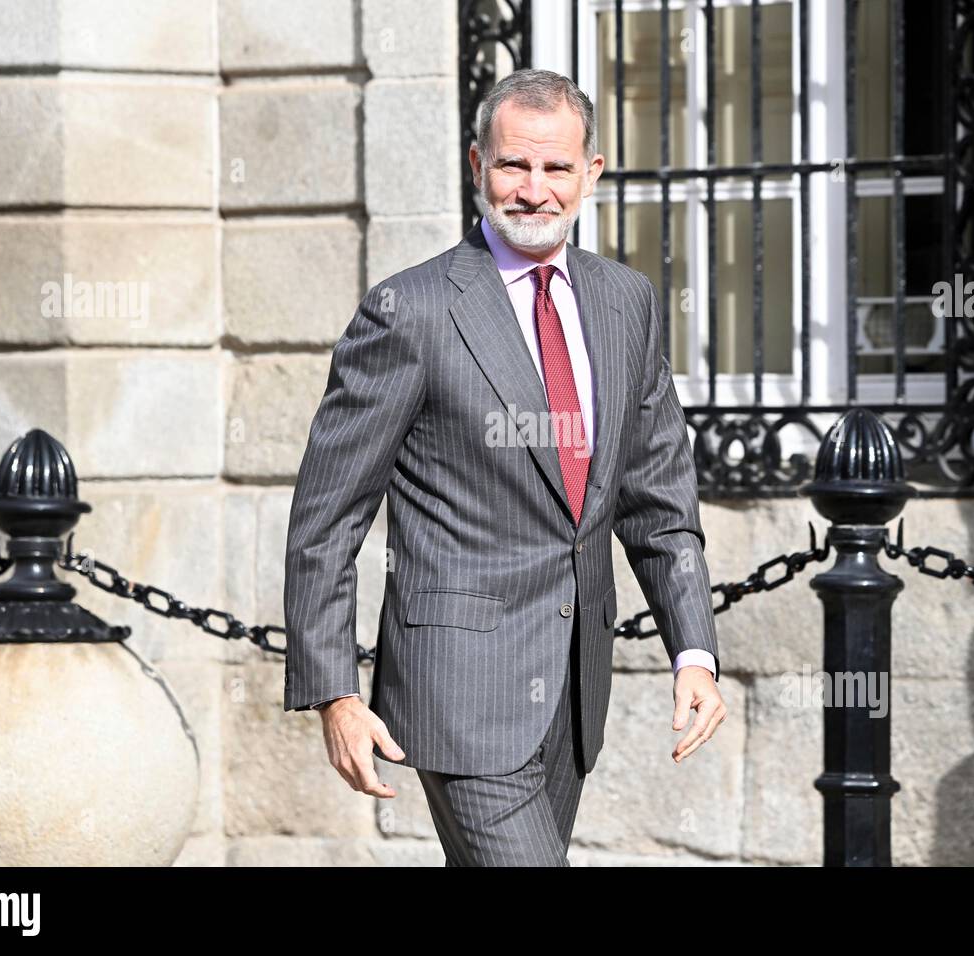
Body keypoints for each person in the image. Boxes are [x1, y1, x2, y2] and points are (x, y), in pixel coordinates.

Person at [282, 68, 725, 866]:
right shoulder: (409, 311)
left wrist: (693, 650)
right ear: (476, 164)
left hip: (573, 687)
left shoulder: (627, 303)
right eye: (513, 165)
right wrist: (335, 692)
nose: (534, 190)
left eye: (556, 167)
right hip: (459, 690)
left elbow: (659, 497)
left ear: (591, 173)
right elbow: (328, 518)